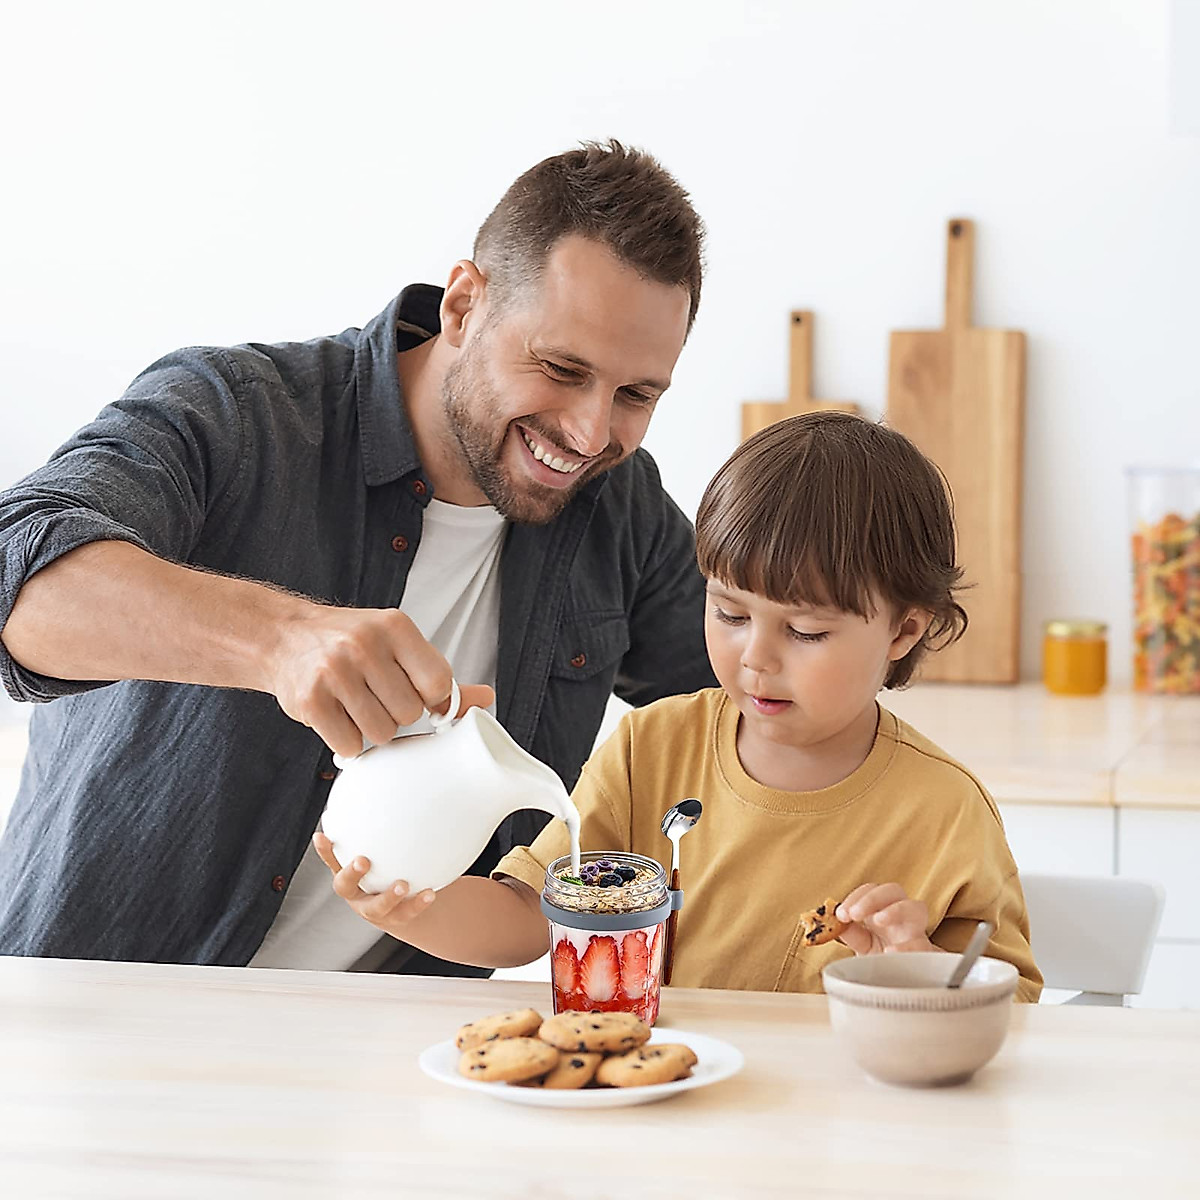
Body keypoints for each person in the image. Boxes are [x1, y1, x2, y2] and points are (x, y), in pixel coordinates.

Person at [0, 140, 717, 972]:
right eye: (561, 369)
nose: (593, 434)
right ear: (464, 305)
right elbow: (18, 569)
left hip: (394, 1070)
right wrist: (281, 639)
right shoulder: (240, 413)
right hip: (104, 1030)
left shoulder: (619, 511)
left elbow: (748, 708)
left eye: (638, 395)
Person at [314, 412, 1043, 1001]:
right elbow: (526, 915)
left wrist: (914, 969)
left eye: (806, 631)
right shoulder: (653, 748)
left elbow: (1011, 1009)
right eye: (728, 613)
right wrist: (414, 907)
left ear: (904, 630)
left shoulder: (944, 810)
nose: (756, 657)